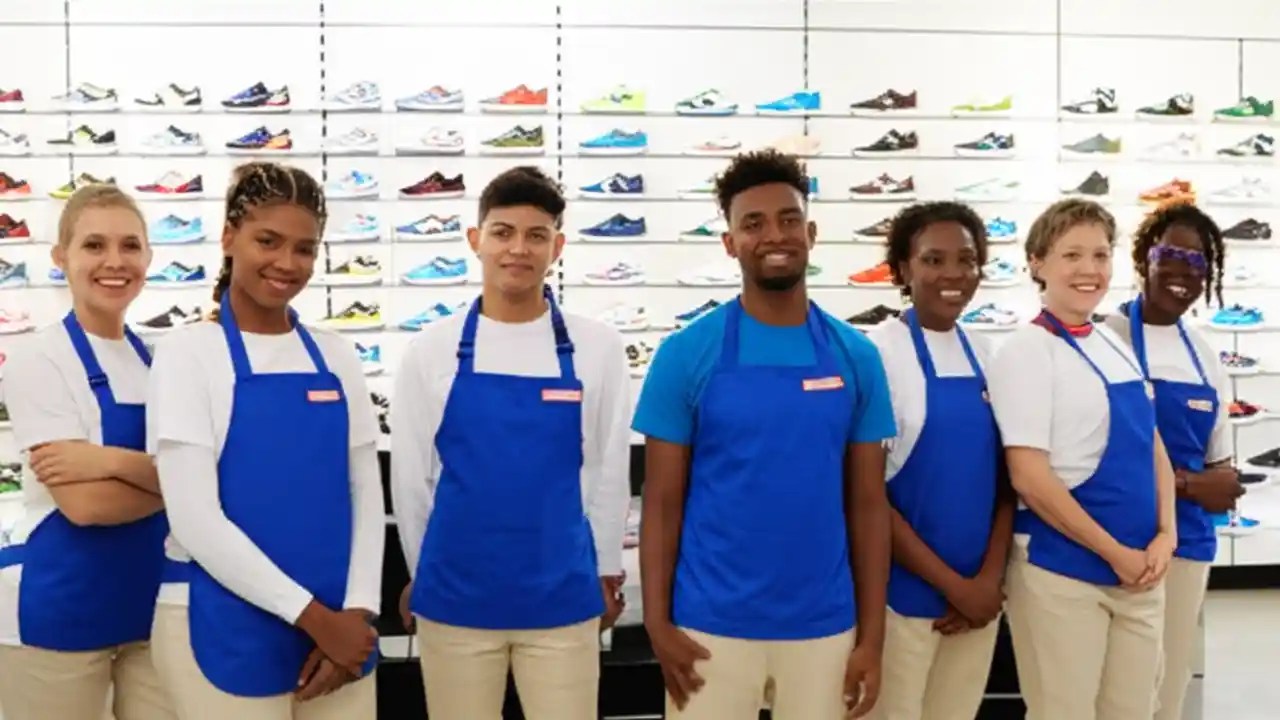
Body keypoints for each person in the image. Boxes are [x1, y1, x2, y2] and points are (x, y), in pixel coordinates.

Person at [634, 149, 895, 720]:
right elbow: (661, 501)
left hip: (825, 630)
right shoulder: (684, 355)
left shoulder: (857, 356)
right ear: (729, 242)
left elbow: (870, 506)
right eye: (752, 223)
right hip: (708, 631)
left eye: (788, 219)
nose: (773, 234)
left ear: (812, 231)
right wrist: (657, 621)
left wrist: (872, 639)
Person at [391, 166, 631, 720]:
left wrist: (605, 569)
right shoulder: (432, 349)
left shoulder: (597, 347)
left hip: (564, 596)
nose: (518, 249)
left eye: (536, 235)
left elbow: (607, 468)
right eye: (502, 232)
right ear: (475, 240)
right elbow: (412, 478)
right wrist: (422, 571)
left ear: (559, 246)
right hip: (456, 599)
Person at [146, 162, 385, 719]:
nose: (287, 263)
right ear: (230, 237)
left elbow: (365, 496)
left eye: (305, 248)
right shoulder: (188, 355)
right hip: (219, 620)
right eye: (268, 241)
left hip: (338, 630)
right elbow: (194, 519)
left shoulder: (337, 355)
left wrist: (359, 614)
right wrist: (316, 619)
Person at [987, 198, 1177, 720]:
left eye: (1099, 255)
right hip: (1063, 572)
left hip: (1140, 571)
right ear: (1037, 263)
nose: (1089, 270)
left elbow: (1150, 442)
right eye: (1071, 255)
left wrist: (1167, 533)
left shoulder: (1111, 341)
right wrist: (1115, 553)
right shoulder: (1027, 351)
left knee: (1134, 710)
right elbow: (1029, 476)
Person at [0, 185, 176, 720]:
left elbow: (217, 478)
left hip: (155, 612)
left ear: (148, 256)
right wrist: (181, 487)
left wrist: (108, 462)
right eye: (94, 246)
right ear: (61, 257)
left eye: (130, 246)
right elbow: (87, 507)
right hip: (58, 618)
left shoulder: (164, 357)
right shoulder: (37, 359)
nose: (114, 262)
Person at [865, 202, 1013, 720]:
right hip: (898, 600)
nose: (953, 274)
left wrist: (988, 582)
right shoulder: (878, 354)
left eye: (967, 260)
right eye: (933, 260)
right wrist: (955, 587)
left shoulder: (990, 354)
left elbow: (1007, 484)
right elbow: (866, 497)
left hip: (978, 604)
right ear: (903, 269)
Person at [1104, 201, 1242, 720]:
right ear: (1144, 258)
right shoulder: (1107, 338)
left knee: (1170, 683)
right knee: (1122, 686)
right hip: (1122, 541)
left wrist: (1210, 484)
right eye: (1172, 255)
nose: (1184, 271)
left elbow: (1223, 473)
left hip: (1188, 545)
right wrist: (1187, 484)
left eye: (1199, 261)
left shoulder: (1204, 354)